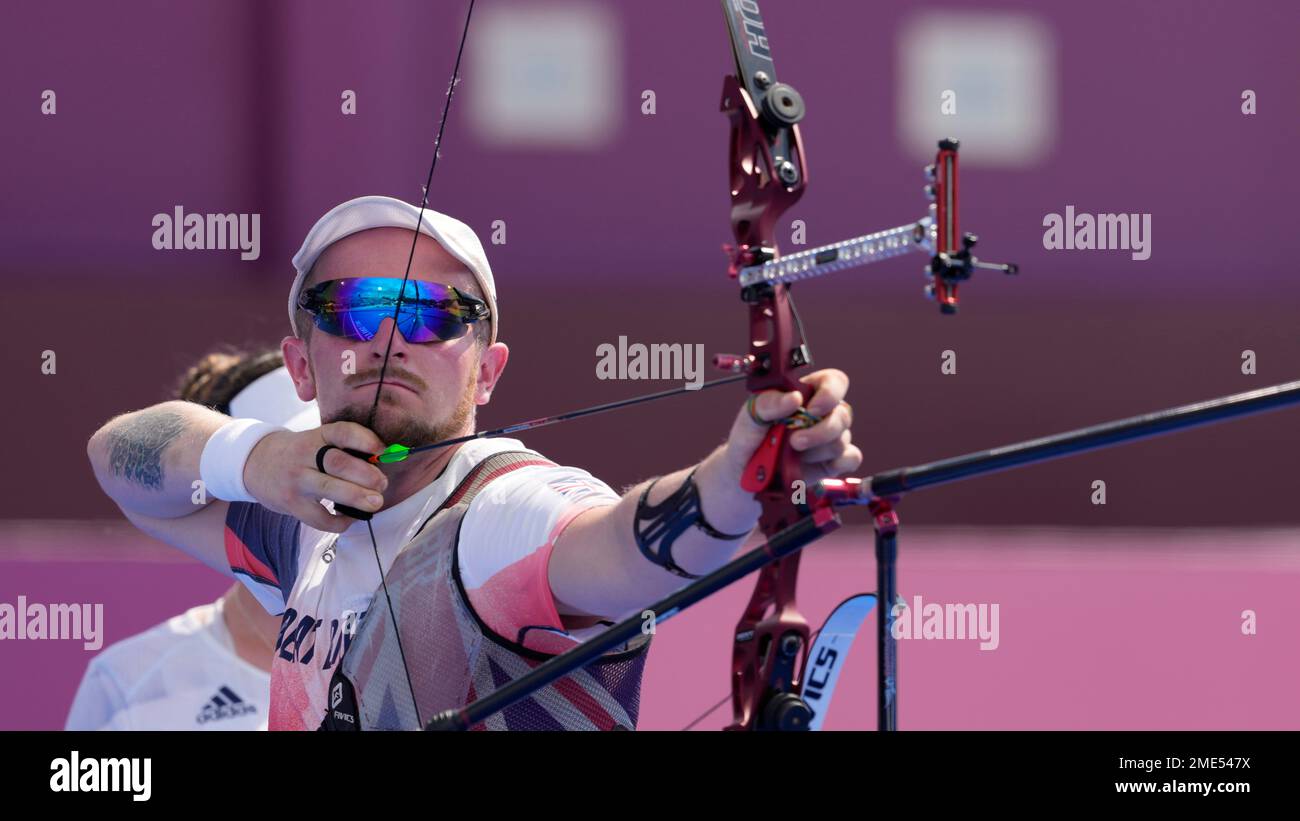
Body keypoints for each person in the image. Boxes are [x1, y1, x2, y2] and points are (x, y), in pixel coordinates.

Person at [86, 195, 860, 730]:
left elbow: (623, 549)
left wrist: (736, 479)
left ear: (486, 370)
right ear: (300, 362)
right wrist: (258, 458)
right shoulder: (303, 528)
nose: (389, 340)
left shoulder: (496, 518)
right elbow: (120, 462)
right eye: (354, 309)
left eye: (431, 314)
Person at [68, 350, 319, 730]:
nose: (317, 491)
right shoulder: (131, 681)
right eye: (285, 472)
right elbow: (107, 451)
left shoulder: (403, 640)